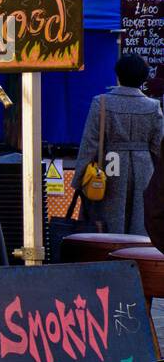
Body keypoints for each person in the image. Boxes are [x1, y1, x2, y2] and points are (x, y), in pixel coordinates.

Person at [74, 54, 163, 235]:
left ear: (118, 75)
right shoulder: (153, 107)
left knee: (107, 225)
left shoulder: (101, 102)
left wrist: (79, 180)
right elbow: (159, 147)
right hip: (144, 170)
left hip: (108, 170)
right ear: (144, 78)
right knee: (140, 223)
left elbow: (89, 143)